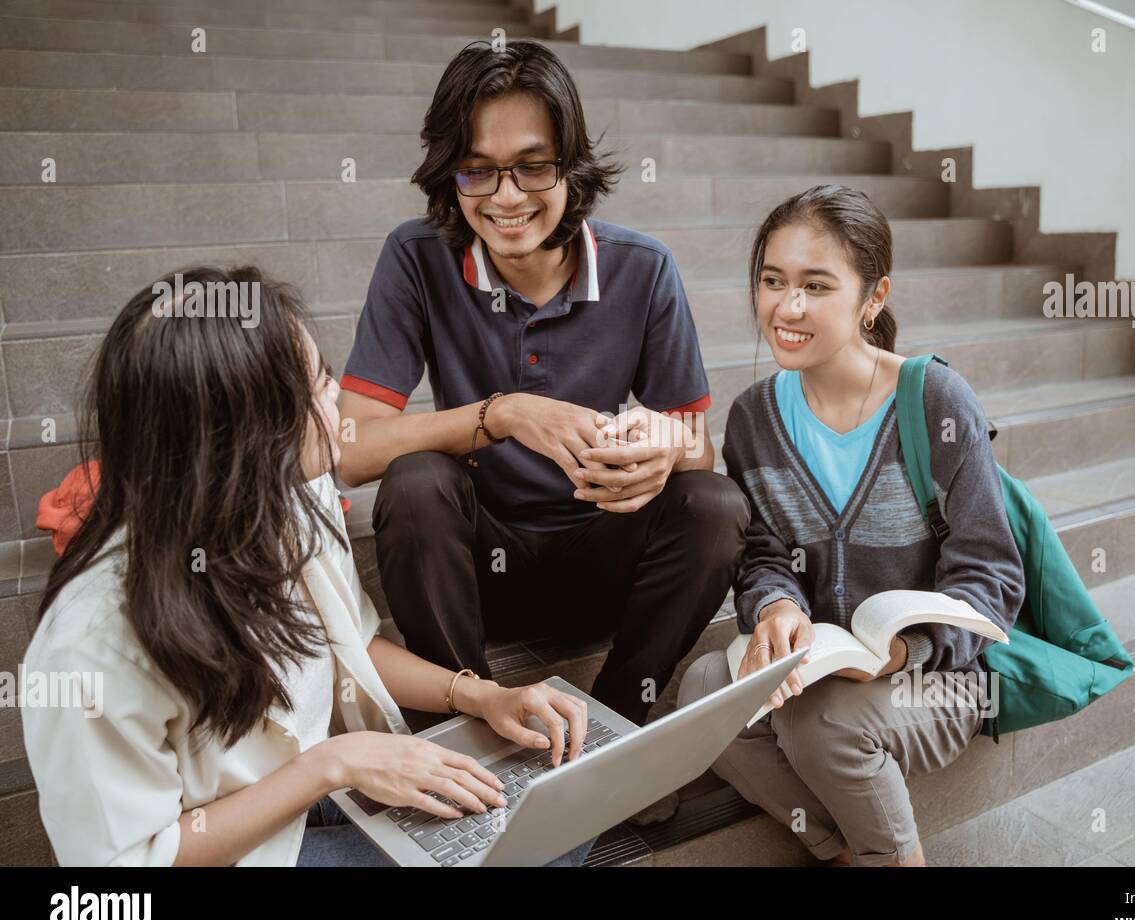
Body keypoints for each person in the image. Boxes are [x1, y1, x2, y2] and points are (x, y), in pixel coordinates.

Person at [21, 267, 596, 867]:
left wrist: (481, 697)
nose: (338, 402)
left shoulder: (295, 495)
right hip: (229, 845)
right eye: (320, 385)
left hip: (308, 795)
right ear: (246, 435)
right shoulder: (90, 647)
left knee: (559, 811)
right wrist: (332, 764)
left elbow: (351, 644)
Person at [336, 38, 748, 726]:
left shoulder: (643, 269)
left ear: (570, 165)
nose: (506, 198)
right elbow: (350, 449)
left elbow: (699, 447)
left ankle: (620, 721)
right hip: (471, 570)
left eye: (533, 168)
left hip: (604, 558)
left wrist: (663, 446)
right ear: (450, 173)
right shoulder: (416, 257)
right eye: (478, 171)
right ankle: (465, 726)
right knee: (413, 483)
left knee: (715, 504)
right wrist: (503, 414)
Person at [677, 186, 1026, 866]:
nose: (788, 307)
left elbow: (991, 572)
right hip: (819, 664)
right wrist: (775, 602)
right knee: (701, 696)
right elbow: (760, 551)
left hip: (942, 675)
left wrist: (906, 653)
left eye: (817, 285)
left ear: (873, 298)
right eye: (773, 282)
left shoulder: (934, 400)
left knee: (821, 722)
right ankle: (837, 849)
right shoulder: (754, 416)